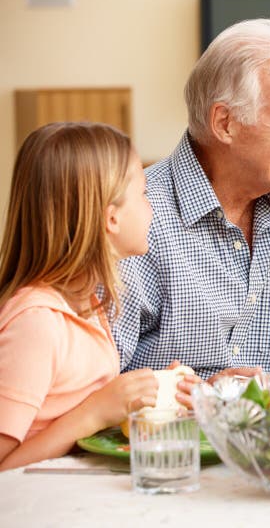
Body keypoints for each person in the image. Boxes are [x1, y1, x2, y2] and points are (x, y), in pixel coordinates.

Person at [113, 19, 270, 384]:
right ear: (225, 122)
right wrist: (198, 394)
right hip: (174, 437)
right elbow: (97, 381)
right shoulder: (137, 217)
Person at [0, 122, 159, 470]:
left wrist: (151, 389)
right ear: (111, 218)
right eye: (144, 193)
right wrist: (95, 412)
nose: (152, 208)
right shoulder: (37, 323)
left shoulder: (86, 305)